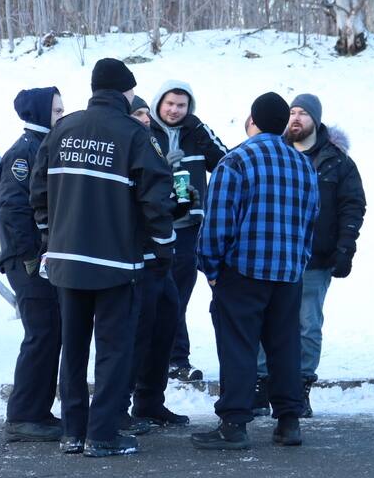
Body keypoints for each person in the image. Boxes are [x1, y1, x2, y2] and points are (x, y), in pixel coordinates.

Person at [30, 59, 176, 457]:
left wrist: (51, 233)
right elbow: (155, 199)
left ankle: (72, 432)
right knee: (114, 349)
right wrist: (164, 246)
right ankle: (103, 434)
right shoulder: (134, 134)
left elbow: (38, 189)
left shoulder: (63, 129)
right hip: (115, 264)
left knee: (73, 348)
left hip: (65, 260)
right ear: (126, 91)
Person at [191, 92, 320, 451]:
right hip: (288, 274)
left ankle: (234, 423)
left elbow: (217, 222)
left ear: (253, 120)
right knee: (285, 346)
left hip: (242, 272)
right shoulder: (303, 165)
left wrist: (211, 266)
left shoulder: (236, 161)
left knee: (238, 346)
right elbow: (311, 221)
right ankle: (288, 422)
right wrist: (298, 261)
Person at [252, 93, 365, 418]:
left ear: (315, 119)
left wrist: (345, 247)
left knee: (306, 324)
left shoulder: (337, 160)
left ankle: (300, 387)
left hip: (316, 258)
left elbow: (352, 205)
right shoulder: (276, 152)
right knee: (264, 321)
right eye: (292, 112)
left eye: (303, 113)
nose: (296, 118)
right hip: (276, 254)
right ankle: (261, 384)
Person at [0, 86, 65, 442]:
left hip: (39, 261)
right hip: (28, 262)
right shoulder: (24, 154)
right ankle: (22, 415)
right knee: (41, 335)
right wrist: (32, 257)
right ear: (38, 113)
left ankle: (38, 410)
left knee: (51, 334)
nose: (61, 116)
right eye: (55, 111)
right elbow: (13, 208)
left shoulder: (44, 148)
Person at [147, 80, 228, 383]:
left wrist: (201, 133)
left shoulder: (196, 133)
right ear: (159, 103)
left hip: (188, 228)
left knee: (179, 296)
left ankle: (177, 359)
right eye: (170, 104)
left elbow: (225, 160)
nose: (174, 110)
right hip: (154, 227)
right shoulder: (145, 132)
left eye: (181, 105)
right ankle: (158, 358)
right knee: (158, 294)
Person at [126, 96, 198, 430]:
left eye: (145, 113)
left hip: (162, 258)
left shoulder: (153, 146)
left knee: (165, 325)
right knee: (137, 334)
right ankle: (120, 407)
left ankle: (150, 402)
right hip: (136, 259)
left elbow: (158, 205)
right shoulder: (126, 147)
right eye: (137, 113)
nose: (144, 118)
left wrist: (181, 204)